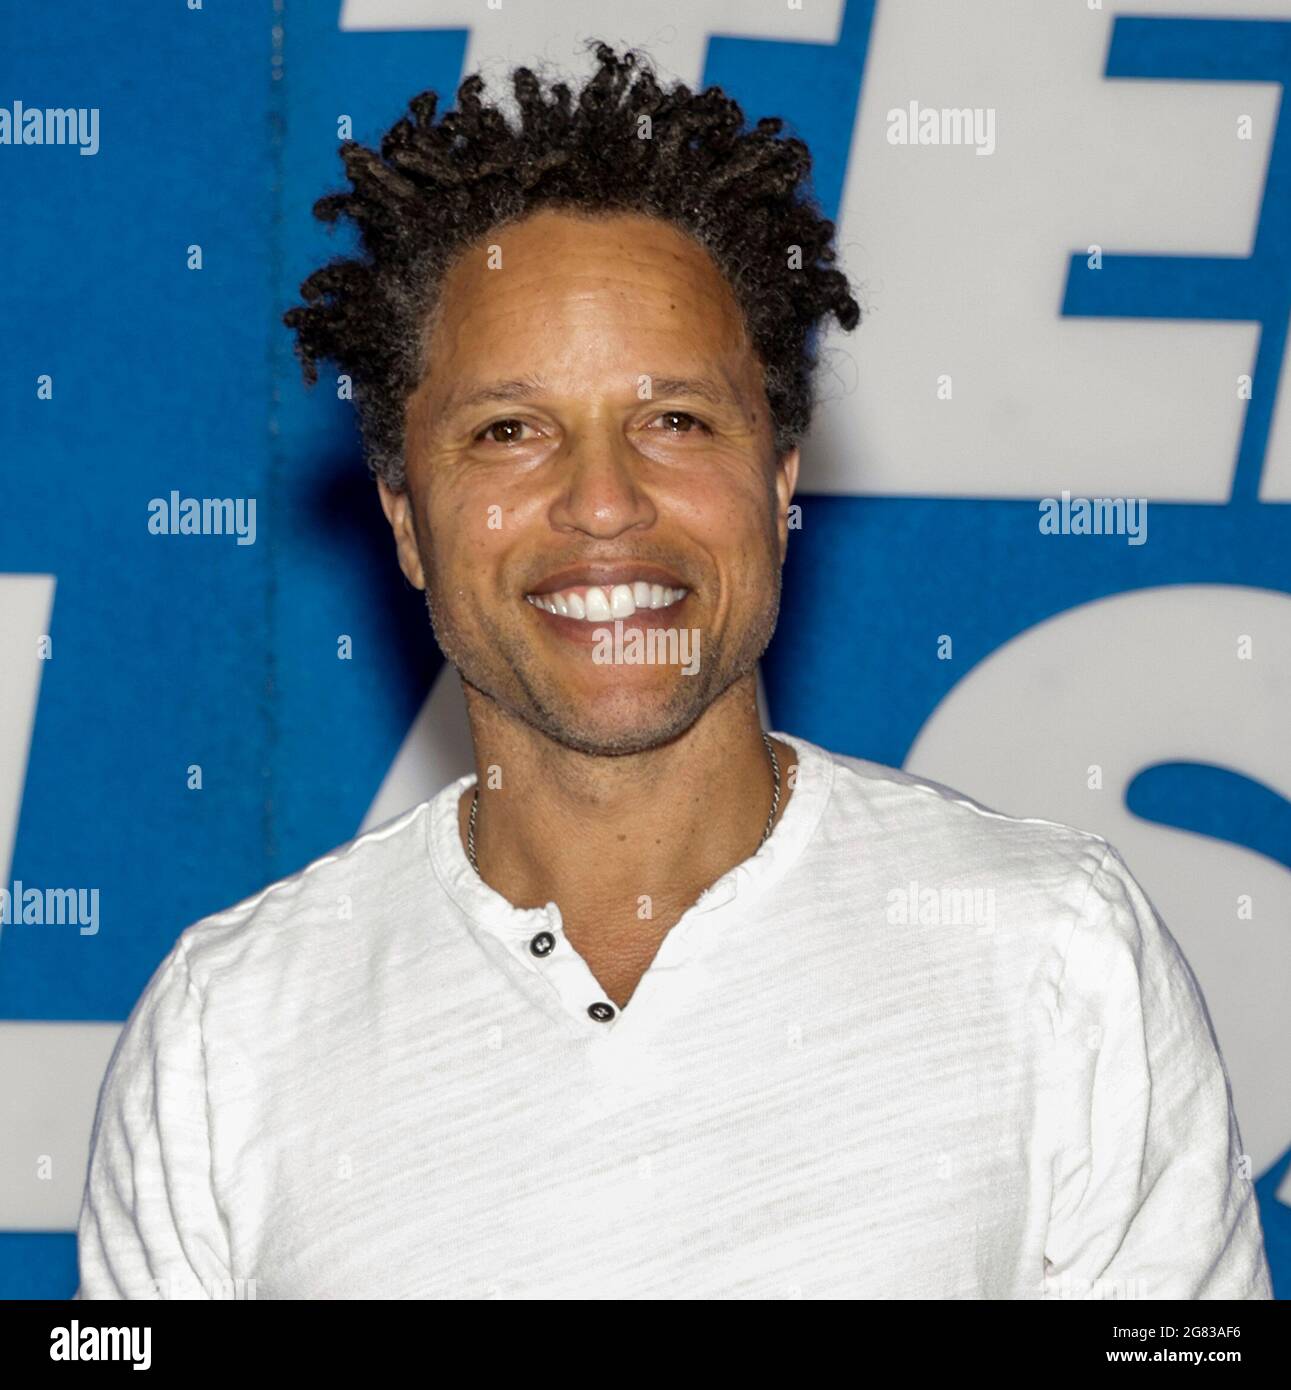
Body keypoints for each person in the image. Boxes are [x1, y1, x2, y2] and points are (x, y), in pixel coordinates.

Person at [75, 43, 1272, 1300]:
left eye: (674, 420)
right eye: (509, 430)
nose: (602, 503)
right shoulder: (229, 1031)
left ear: (778, 477)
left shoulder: (1056, 951)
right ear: (406, 521)